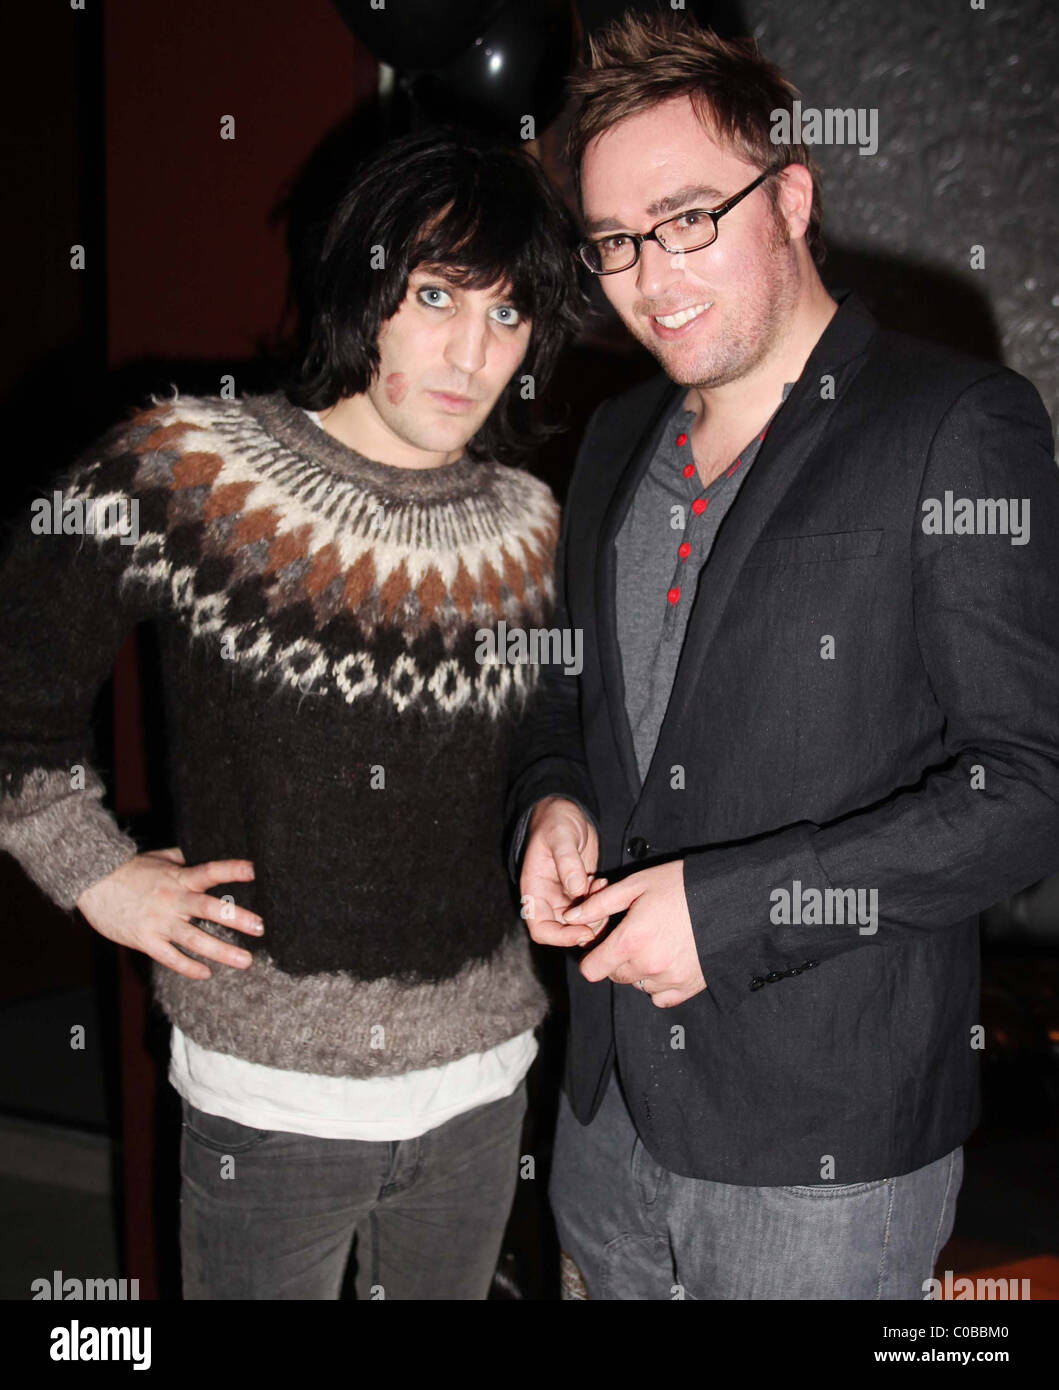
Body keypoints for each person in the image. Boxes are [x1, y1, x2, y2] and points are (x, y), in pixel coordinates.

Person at [507, 14, 1059, 1300]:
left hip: (826, 1151)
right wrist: (552, 797)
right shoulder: (612, 437)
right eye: (617, 241)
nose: (652, 273)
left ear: (792, 197)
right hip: (603, 1117)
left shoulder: (954, 425)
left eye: (689, 214)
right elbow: (569, 692)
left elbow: (1032, 786)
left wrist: (733, 909)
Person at [0, 127, 582, 1299]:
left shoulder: (532, 522)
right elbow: (18, 681)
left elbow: (546, 745)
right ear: (366, 287)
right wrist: (95, 871)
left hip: (480, 1094)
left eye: (508, 315)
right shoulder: (192, 468)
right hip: (267, 1107)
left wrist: (561, 806)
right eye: (435, 296)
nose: (472, 352)